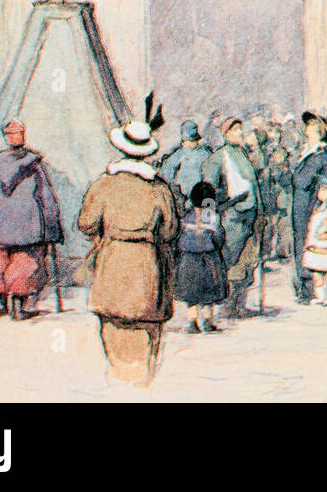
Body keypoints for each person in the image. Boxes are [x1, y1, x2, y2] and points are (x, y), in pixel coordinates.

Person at [78, 112, 180, 386]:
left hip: (113, 265)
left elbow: (86, 223)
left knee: (114, 333)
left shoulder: (103, 184)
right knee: (146, 338)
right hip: (147, 269)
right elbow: (170, 230)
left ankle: (119, 383)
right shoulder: (159, 188)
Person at [0, 120, 64, 320]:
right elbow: (45, 197)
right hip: (26, 228)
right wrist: (52, 228)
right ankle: (18, 307)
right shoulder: (34, 165)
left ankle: (1, 303)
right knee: (25, 262)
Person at [289, 111, 327, 303]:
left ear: (319, 130)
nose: (306, 129)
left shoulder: (322, 155)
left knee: (311, 247)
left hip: (312, 208)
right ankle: (305, 288)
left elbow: (312, 182)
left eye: (311, 125)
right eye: (307, 125)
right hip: (300, 208)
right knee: (300, 244)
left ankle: (313, 290)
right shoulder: (305, 152)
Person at [209, 118, 259, 317]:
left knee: (248, 261)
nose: (240, 133)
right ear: (226, 134)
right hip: (232, 218)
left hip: (250, 215)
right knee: (231, 260)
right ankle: (227, 307)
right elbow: (210, 190)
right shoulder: (218, 158)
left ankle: (239, 305)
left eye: (241, 129)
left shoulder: (242, 154)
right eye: (236, 130)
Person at [175, 180, 227, 334]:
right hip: (209, 260)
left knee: (192, 294)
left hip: (188, 260)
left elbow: (179, 239)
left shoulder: (187, 216)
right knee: (208, 292)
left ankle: (192, 322)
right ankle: (207, 321)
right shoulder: (213, 216)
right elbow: (219, 238)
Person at [159, 120, 216, 202]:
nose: (188, 143)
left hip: (201, 192)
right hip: (184, 194)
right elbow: (167, 169)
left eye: (192, 141)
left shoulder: (205, 153)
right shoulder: (180, 153)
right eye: (185, 141)